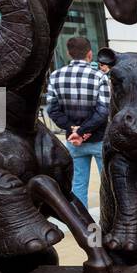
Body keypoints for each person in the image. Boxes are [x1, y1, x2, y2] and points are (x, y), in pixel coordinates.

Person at [46, 36, 110, 208]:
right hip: (98, 138)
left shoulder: (55, 76)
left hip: (73, 140)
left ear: (69, 54)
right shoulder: (99, 77)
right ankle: (110, 222)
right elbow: (103, 111)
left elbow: (52, 109)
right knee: (109, 184)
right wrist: (83, 130)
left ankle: (83, 223)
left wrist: (73, 129)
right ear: (90, 54)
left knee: (78, 185)